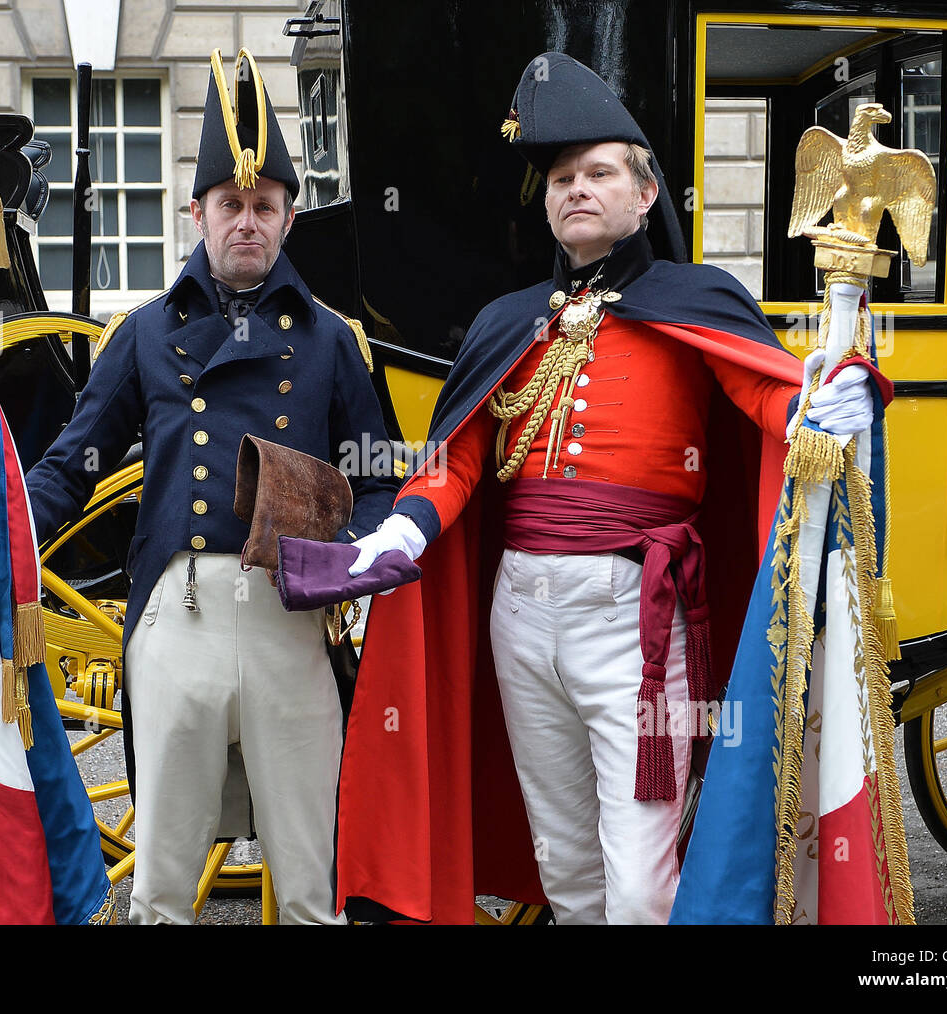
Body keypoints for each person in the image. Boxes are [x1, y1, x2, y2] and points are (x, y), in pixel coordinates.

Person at [334, 52, 885, 925]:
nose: (576, 190)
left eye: (598, 173)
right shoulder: (507, 320)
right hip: (518, 612)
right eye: (561, 178)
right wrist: (404, 530)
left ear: (644, 194)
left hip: (641, 617)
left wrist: (834, 395)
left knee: (638, 884)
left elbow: (774, 395)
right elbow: (461, 458)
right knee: (568, 868)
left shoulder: (698, 298)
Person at [24, 47, 399, 924]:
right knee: (160, 881)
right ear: (197, 213)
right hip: (176, 616)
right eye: (229, 205)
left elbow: (380, 470)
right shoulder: (146, 334)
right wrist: (5, 536)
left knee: (311, 877)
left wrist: (354, 556)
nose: (246, 223)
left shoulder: (334, 342)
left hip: (290, 620)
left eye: (263, 207)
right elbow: (74, 462)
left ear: (289, 218)